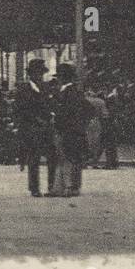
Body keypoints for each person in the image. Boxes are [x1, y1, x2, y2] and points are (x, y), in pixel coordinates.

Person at [15, 59, 54, 197]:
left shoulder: (46, 88)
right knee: (34, 158)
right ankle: (34, 188)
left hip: (47, 127)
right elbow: (21, 110)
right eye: (38, 73)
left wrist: (50, 117)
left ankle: (51, 186)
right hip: (31, 128)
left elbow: (50, 105)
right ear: (31, 74)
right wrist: (36, 119)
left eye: (42, 73)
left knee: (52, 157)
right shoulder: (23, 90)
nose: (40, 76)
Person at [50, 63, 86, 196]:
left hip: (67, 129)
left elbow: (66, 112)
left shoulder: (68, 92)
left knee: (67, 157)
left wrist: (56, 114)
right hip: (72, 129)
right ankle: (64, 187)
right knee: (69, 157)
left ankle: (69, 187)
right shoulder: (74, 91)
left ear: (62, 78)